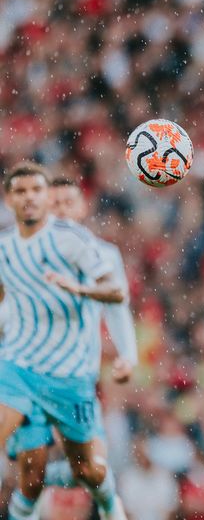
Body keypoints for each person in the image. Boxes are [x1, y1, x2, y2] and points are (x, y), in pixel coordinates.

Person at [0, 162, 132, 520]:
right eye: (20, 191)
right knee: (31, 474)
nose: (31, 198)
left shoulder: (77, 243)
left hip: (71, 376)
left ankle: (108, 501)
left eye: (37, 190)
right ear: (11, 199)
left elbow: (115, 294)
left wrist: (79, 291)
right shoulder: (4, 249)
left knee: (88, 470)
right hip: (19, 366)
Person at [40, 176, 139, 491]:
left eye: (69, 203)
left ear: (83, 208)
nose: (62, 211)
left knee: (90, 466)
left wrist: (128, 354)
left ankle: (85, 488)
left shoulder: (105, 254)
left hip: (79, 371)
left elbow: (117, 307)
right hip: (32, 368)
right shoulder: (28, 252)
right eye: (54, 205)